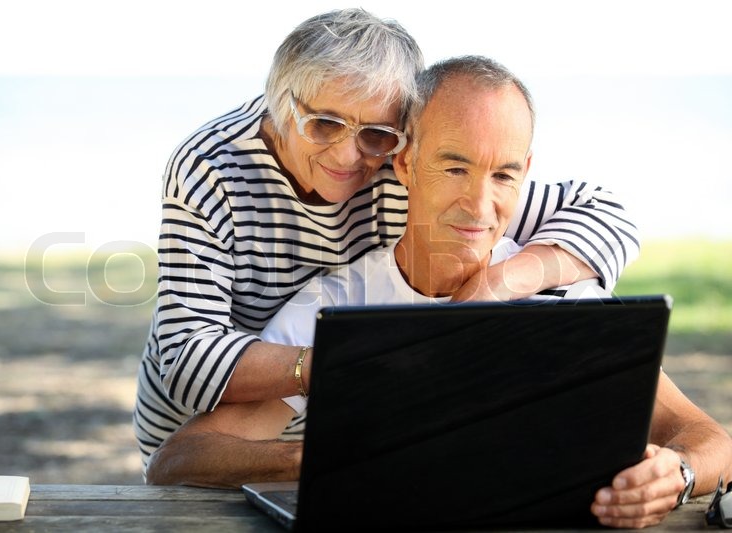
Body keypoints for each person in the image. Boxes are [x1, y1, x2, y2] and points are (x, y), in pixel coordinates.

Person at [145, 55, 732, 529]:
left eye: (503, 175)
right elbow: (180, 457)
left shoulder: (566, 301)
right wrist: (319, 461)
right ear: (404, 164)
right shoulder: (336, 309)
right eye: (454, 168)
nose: (480, 206)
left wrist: (675, 473)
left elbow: (708, 439)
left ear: (525, 173)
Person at [134, 8, 641, 477]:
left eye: (374, 133)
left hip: (347, 425)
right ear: (281, 103)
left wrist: (492, 285)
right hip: (207, 428)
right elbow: (186, 355)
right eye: (325, 124)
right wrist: (357, 361)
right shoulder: (212, 168)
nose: (349, 154)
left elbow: (604, 216)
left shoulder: (394, 156)